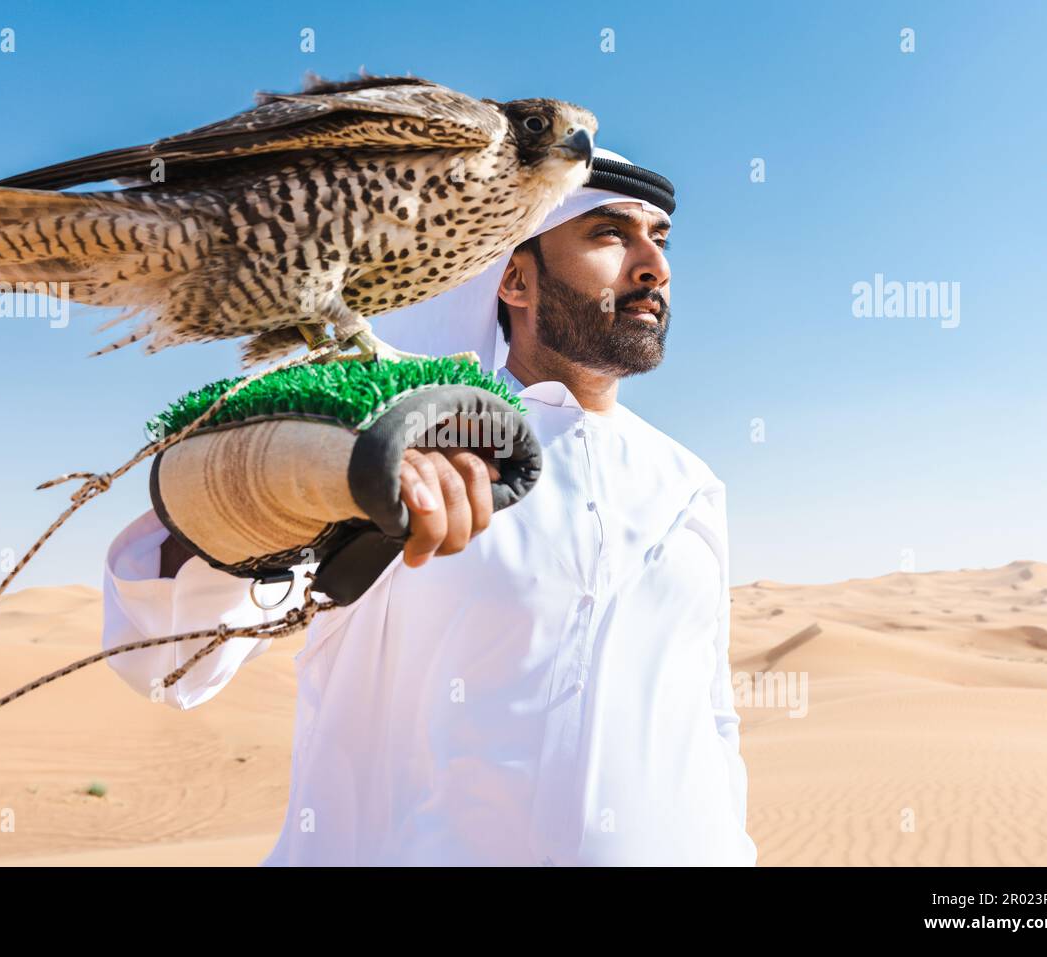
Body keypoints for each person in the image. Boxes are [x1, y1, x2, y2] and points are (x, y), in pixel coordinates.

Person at [102, 147, 758, 866]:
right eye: (609, 234)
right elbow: (169, 658)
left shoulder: (691, 482)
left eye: (658, 240)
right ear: (514, 277)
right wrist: (308, 484)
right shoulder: (399, 433)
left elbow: (711, 718)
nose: (652, 266)